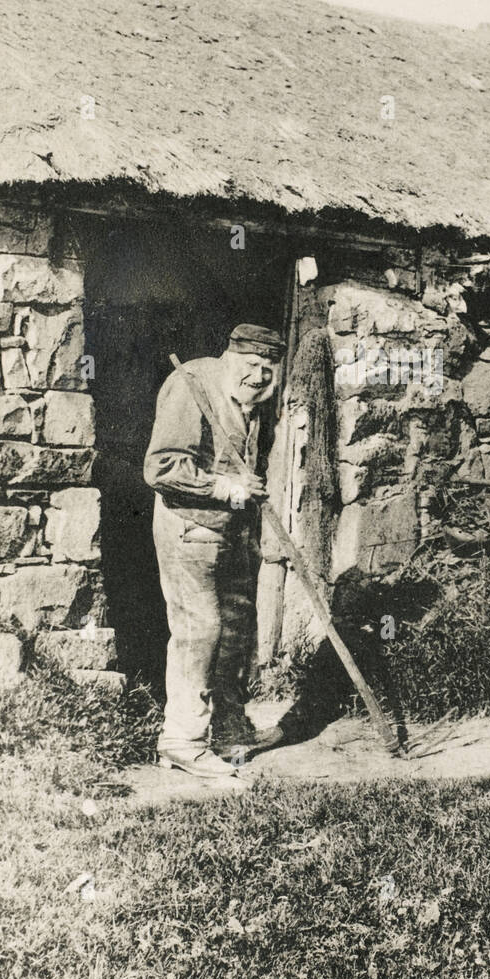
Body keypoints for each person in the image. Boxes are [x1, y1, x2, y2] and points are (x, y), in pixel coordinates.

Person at [143, 323, 287, 779]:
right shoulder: (191, 384)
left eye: (268, 368)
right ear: (230, 357)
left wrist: (248, 489)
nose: (259, 376)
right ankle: (182, 741)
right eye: (251, 365)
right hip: (190, 529)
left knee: (236, 630)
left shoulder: (254, 402)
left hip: (234, 533)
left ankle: (229, 730)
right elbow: (162, 468)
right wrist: (225, 488)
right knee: (199, 630)